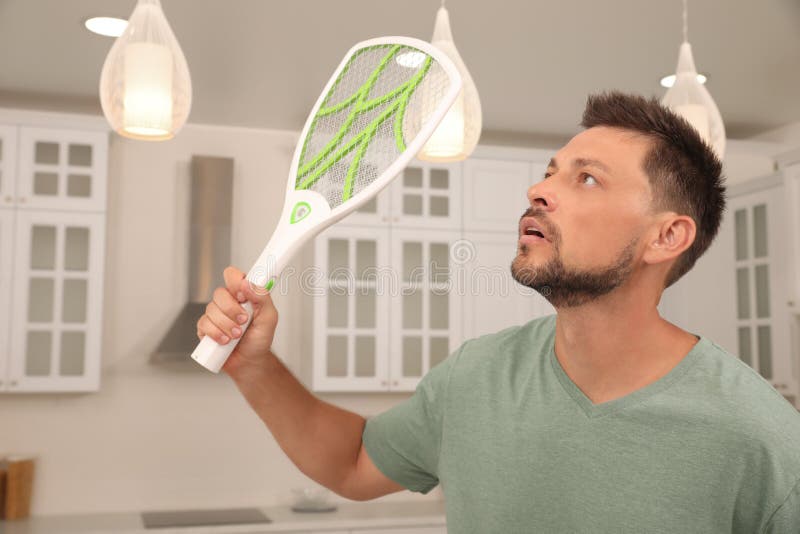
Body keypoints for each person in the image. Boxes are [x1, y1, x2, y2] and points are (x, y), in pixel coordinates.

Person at [196, 92, 800, 532]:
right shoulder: (476, 376)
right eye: (549, 171)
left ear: (666, 237)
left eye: (587, 179)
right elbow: (353, 464)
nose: (539, 190)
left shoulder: (760, 437)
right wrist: (254, 365)